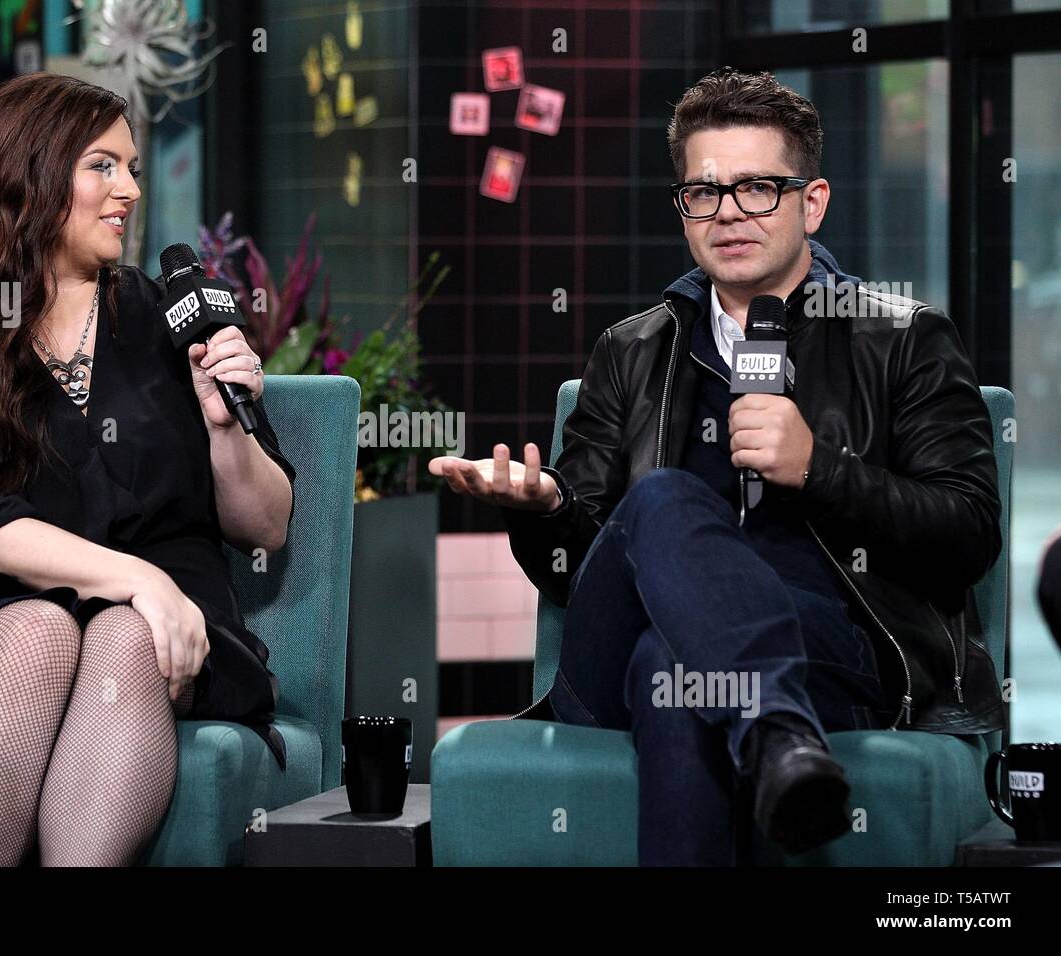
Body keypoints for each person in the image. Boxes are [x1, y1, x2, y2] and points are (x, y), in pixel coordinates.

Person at [429, 68, 1004, 865]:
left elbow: (970, 537)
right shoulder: (630, 351)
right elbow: (577, 576)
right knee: (663, 499)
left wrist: (820, 469)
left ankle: (768, 726)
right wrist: (548, 511)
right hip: (619, 652)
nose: (729, 211)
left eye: (759, 188)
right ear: (684, 209)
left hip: (828, 653)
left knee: (679, 673)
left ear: (813, 202)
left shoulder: (903, 339)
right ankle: (777, 735)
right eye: (704, 192)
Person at [0, 73, 297, 867]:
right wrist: (138, 577)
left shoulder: (172, 322)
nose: (128, 189)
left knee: (125, 636)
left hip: (166, 630)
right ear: (28, 172)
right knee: (40, 631)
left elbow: (264, 524)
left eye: (131, 168)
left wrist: (221, 425)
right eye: (102, 166)